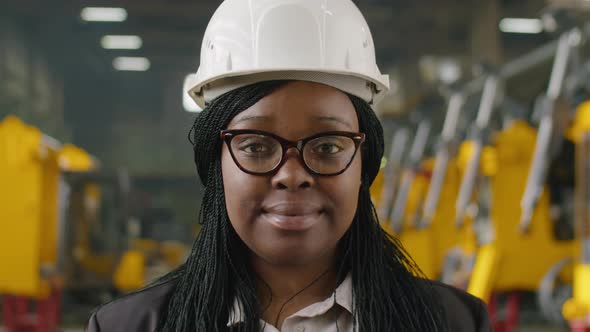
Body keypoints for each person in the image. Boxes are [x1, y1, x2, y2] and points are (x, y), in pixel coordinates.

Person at [87, 0, 491, 331]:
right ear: (216, 164)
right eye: (256, 146)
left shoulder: (452, 322)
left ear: (363, 165)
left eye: (328, 146)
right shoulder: (130, 326)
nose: (292, 175)